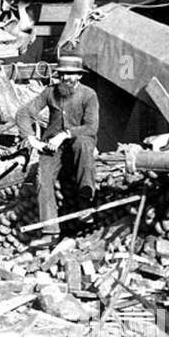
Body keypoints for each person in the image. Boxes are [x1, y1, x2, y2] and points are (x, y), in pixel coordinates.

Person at [13, 54, 99, 236]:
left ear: (79, 76)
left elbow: (91, 127)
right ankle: (50, 230)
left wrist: (66, 135)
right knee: (43, 178)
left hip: (77, 143)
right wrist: (31, 139)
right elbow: (24, 113)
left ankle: (85, 205)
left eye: (71, 74)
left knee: (83, 144)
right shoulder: (50, 92)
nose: (66, 78)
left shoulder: (89, 95)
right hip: (52, 147)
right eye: (63, 74)